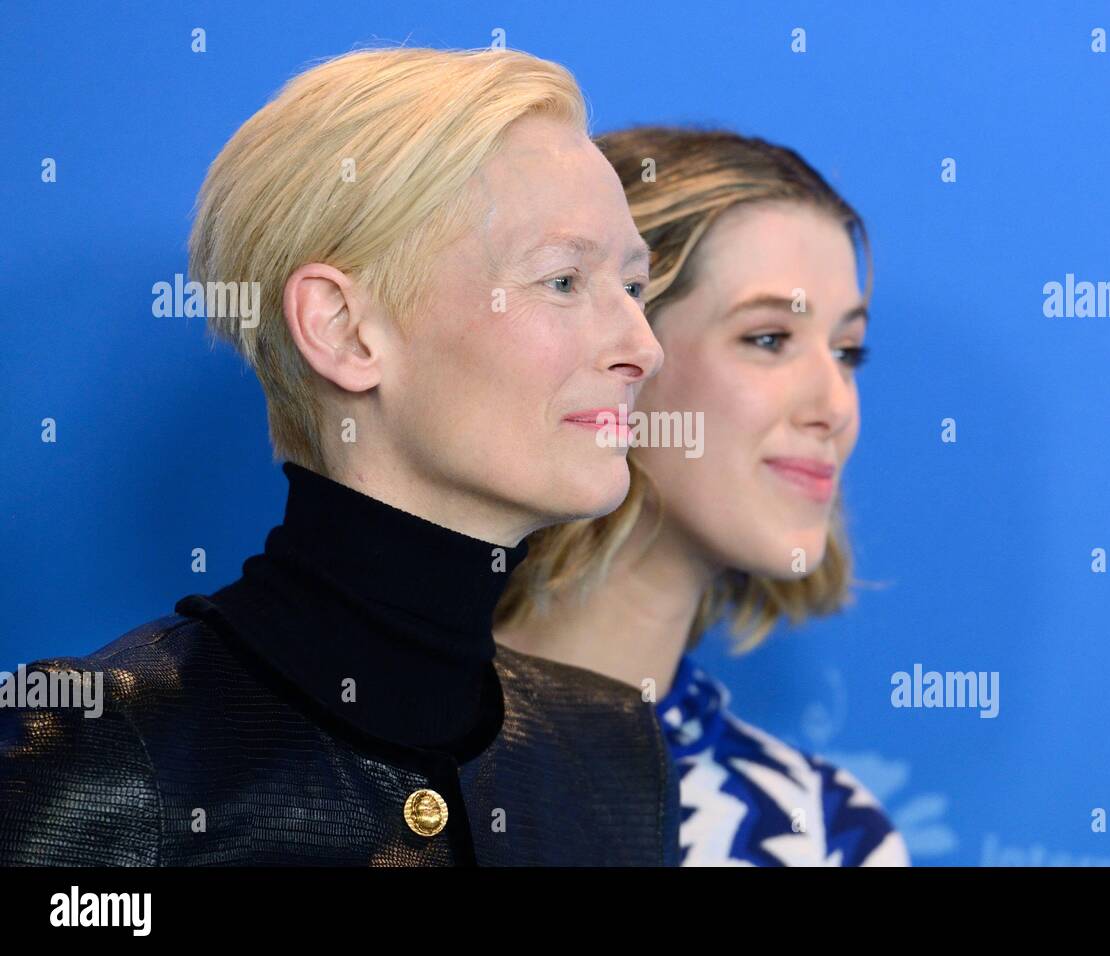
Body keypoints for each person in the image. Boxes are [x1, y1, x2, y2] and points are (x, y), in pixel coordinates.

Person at [0, 48, 679, 866]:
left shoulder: (612, 753)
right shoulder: (92, 748)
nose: (642, 348)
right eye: (564, 281)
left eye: (635, 289)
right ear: (343, 329)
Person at [494, 126, 909, 866]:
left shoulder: (823, 833)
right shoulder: (332, 753)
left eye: (848, 351)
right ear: (622, 351)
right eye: (769, 339)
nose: (836, 404)